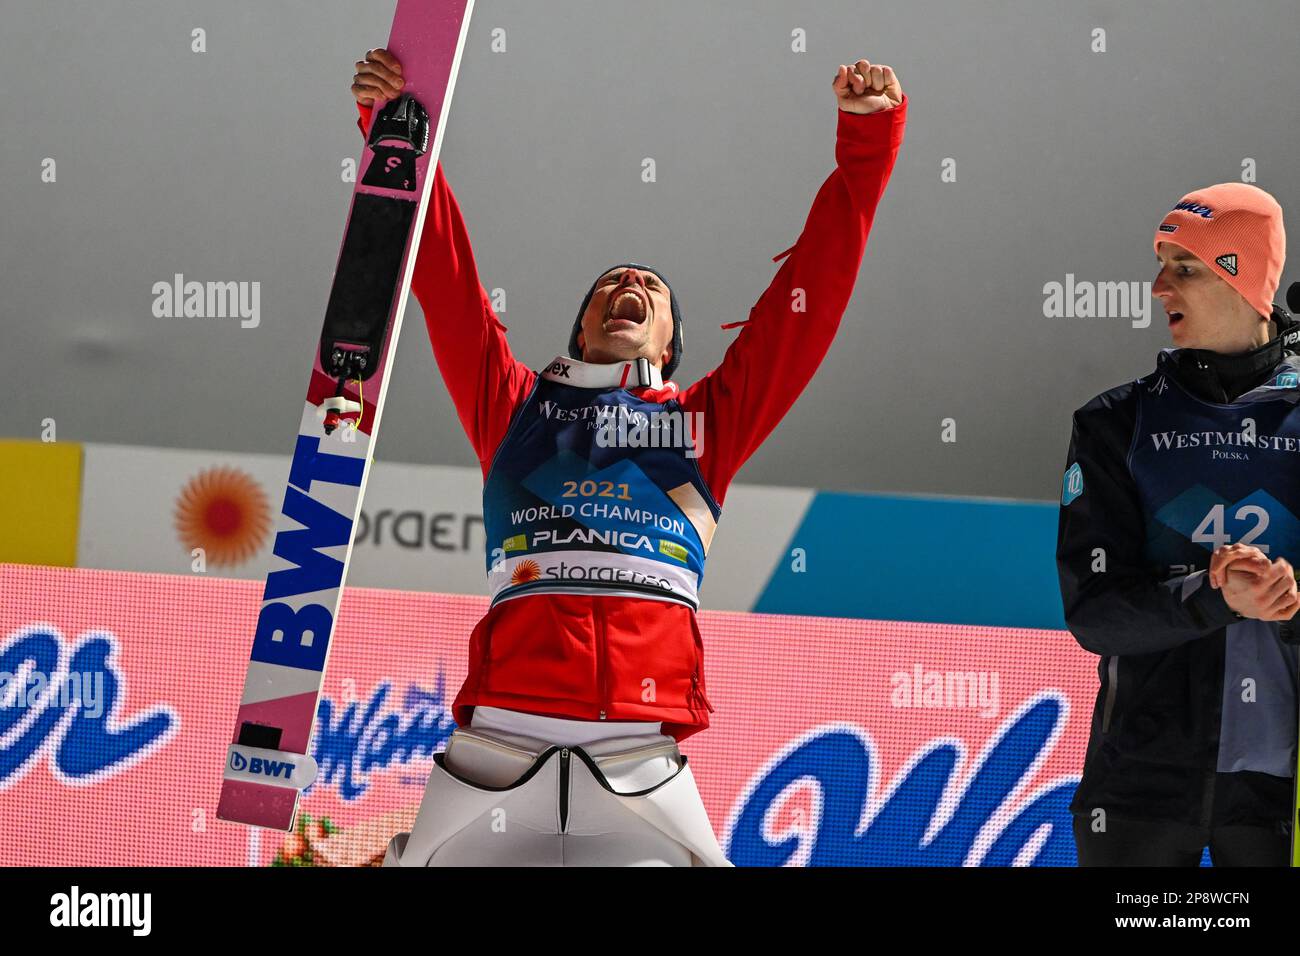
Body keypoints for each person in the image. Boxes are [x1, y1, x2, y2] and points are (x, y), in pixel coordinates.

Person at [348, 48, 907, 865]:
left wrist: (868, 141)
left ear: (674, 343)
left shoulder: (703, 425)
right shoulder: (515, 406)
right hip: (491, 759)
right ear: (581, 331)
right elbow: (445, 277)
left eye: (645, 287)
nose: (627, 288)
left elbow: (812, 297)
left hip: (640, 770)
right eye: (611, 284)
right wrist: (394, 137)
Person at [1057, 181, 1300, 865]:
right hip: (1138, 791)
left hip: (1280, 803)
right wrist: (1215, 596)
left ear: (1243, 277)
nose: (1159, 288)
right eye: (1162, 264)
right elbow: (1094, 616)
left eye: (1184, 266)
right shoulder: (1114, 423)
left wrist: (1286, 603)